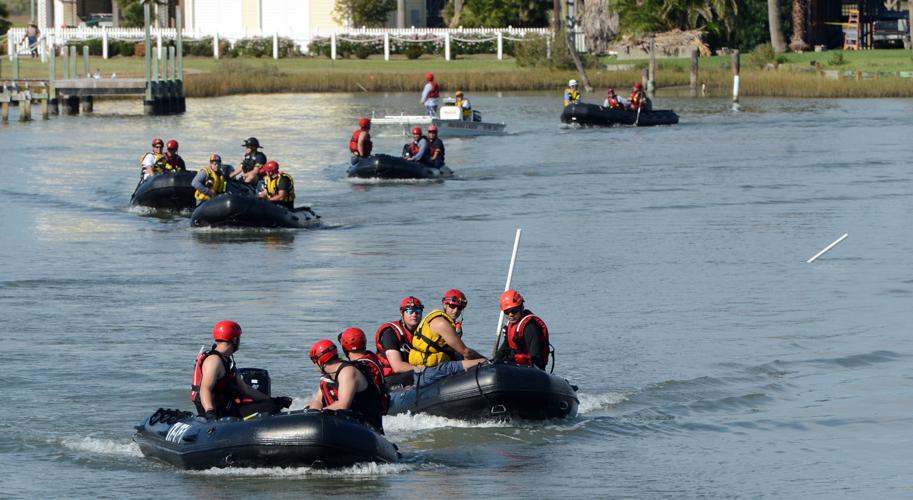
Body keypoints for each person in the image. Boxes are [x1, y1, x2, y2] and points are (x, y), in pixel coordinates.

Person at [190, 320, 292, 419]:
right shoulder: (214, 360)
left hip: (228, 408)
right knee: (271, 408)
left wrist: (273, 400)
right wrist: (210, 412)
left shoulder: (226, 359)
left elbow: (245, 389)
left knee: (271, 404)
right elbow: (205, 389)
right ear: (234, 339)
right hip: (217, 412)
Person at [408, 289, 486, 387]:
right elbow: (466, 351)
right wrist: (488, 360)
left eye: (459, 308)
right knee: (483, 362)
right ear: (444, 305)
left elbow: (459, 352)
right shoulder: (442, 323)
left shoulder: (438, 319)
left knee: (463, 358)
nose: (455, 311)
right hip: (431, 371)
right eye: (452, 306)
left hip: (424, 371)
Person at [306, 339, 387, 433]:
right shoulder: (327, 376)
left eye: (314, 362)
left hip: (366, 426)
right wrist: (311, 413)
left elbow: (343, 405)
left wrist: (318, 413)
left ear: (319, 361)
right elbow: (318, 400)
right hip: (346, 423)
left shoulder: (347, 372)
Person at [493, 290, 551, 370]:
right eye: (507, 312)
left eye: (514, 311)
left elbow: (535, 357)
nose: (510, 315)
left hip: (531, 370)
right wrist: (495, 361)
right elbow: (505, 347)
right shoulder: (510, 326)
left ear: (521, 308)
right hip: (515, 366)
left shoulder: (530, 327)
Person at [374, 296, 423, 388]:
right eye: (410, 311)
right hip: (390, 378)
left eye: (418, 311)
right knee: (427, 375)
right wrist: (424, 369)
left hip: (413, 372)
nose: (414, 314)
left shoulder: (424, 332)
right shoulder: (390, 333)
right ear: (402, 313)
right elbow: (397, 366)